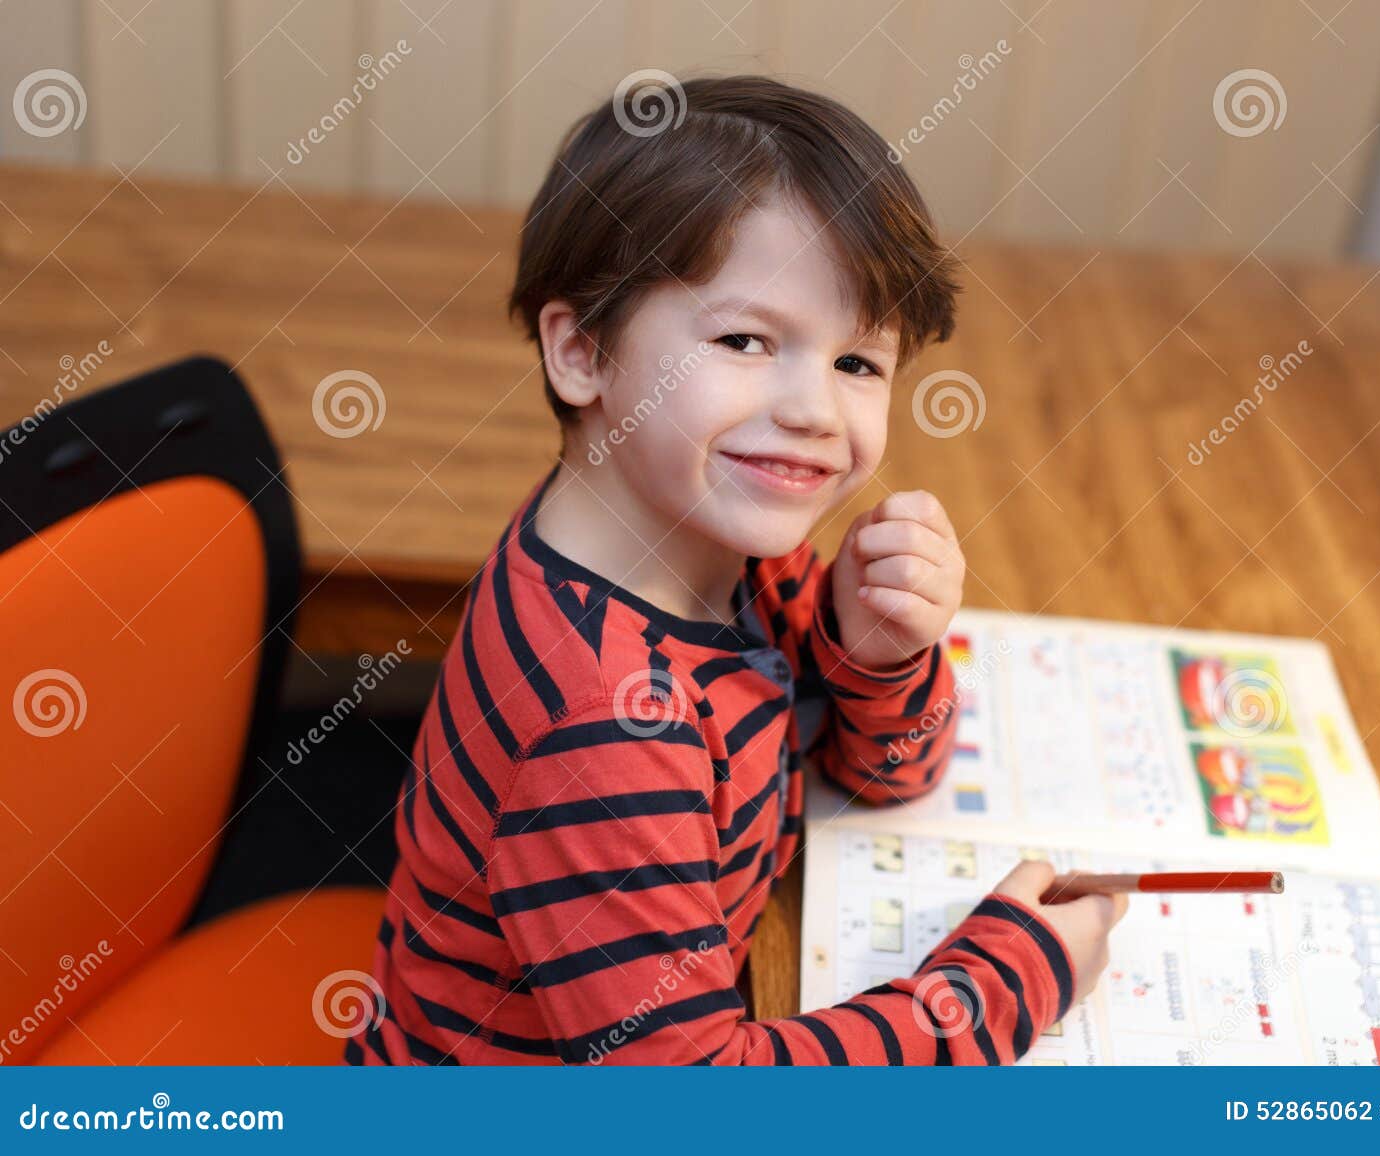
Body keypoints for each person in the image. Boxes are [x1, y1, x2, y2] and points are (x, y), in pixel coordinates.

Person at [347, 73, 1127, 1066]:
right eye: (746, 340)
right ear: (581, 352)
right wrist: (1000, 985)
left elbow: (888, 772)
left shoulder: (709, 538)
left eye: (858, 362)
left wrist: (875, 657)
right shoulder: (604, 726)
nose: (812, 408)